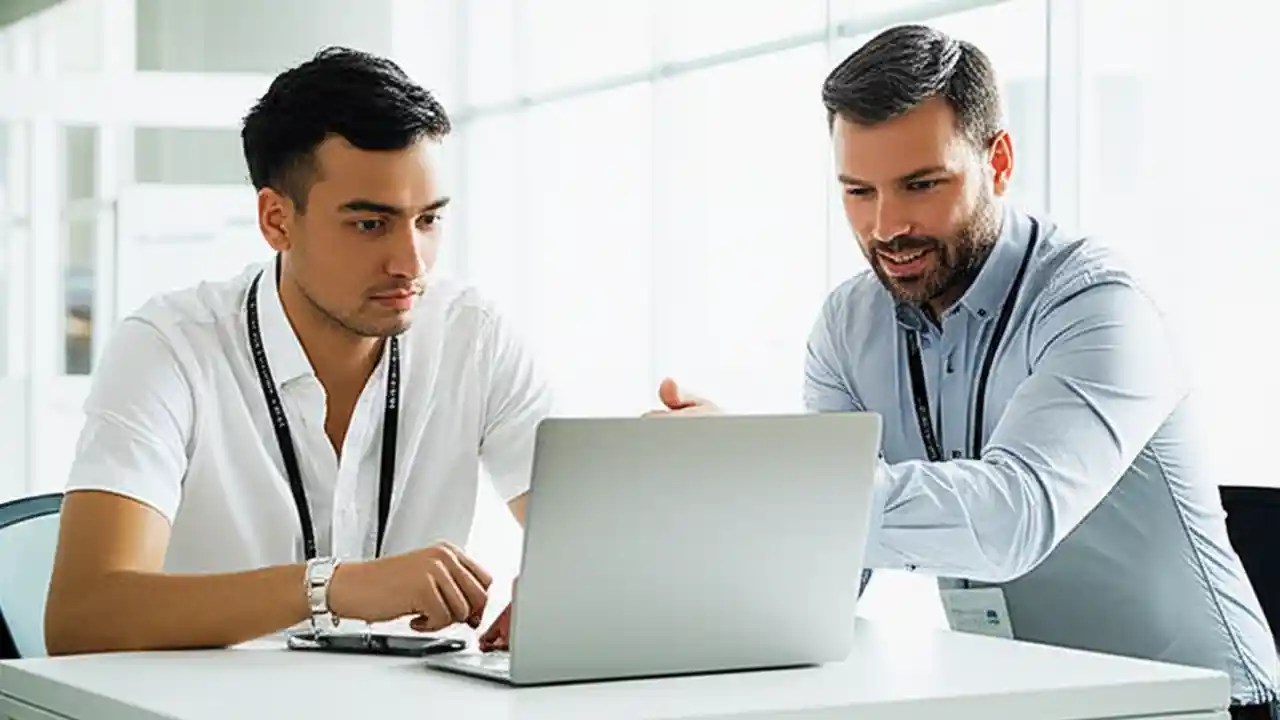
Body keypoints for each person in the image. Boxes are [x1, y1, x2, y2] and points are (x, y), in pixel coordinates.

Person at [650, 24, 1278, 716]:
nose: (887, 227)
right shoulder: (847, 325)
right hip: (1024, 698)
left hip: (1201, 705)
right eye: (858, 192)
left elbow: (1013, 518)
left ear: (998, 162)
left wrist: (760, 472)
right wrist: (696, 522)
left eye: (921, 185)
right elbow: (828, 560)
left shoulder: (1100, 305)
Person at [44, 47, 544, 655]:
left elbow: (589, 544)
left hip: (411, 698)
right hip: (204, 702)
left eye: (428, 221)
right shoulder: (169, 347)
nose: (410, 263)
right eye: (370, 224)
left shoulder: (475, 336)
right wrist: (330, 587)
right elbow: (83, 617)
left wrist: (566, 593)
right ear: (277, 220)